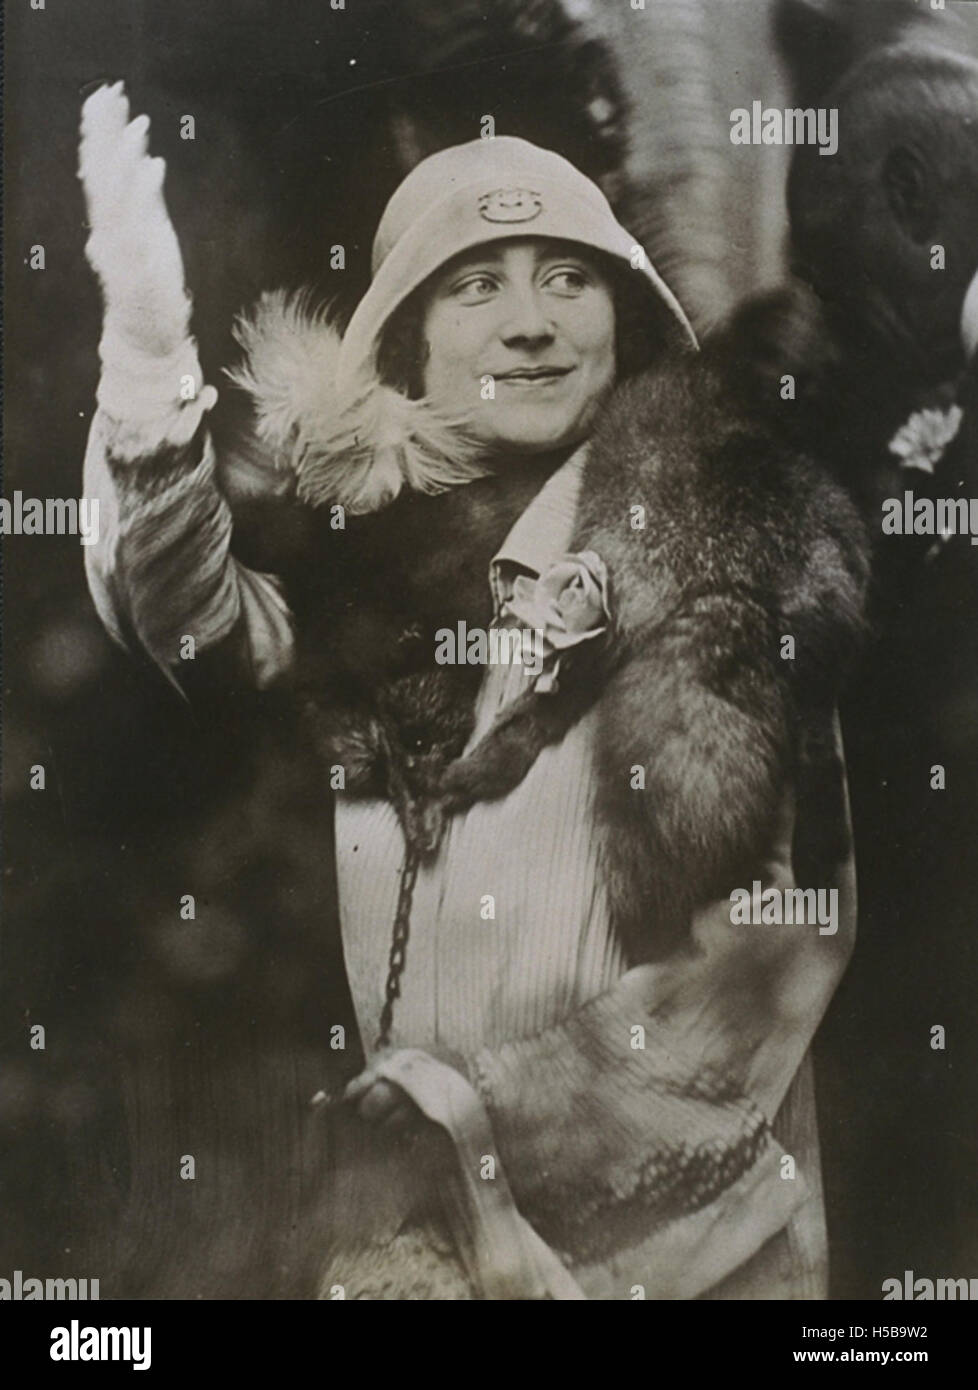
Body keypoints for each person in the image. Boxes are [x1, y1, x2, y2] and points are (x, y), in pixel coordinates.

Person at [78, 83, 869, 1299]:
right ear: (408, 345)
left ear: (626, 320)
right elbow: (194, 624)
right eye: (476, 284)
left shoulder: (722, 553)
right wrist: (146, 377)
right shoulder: (359, 580)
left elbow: (771, 948)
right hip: (419, 1256)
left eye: (567, 278)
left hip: (674, 1259)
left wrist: (465, 1130)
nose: (530, 324)